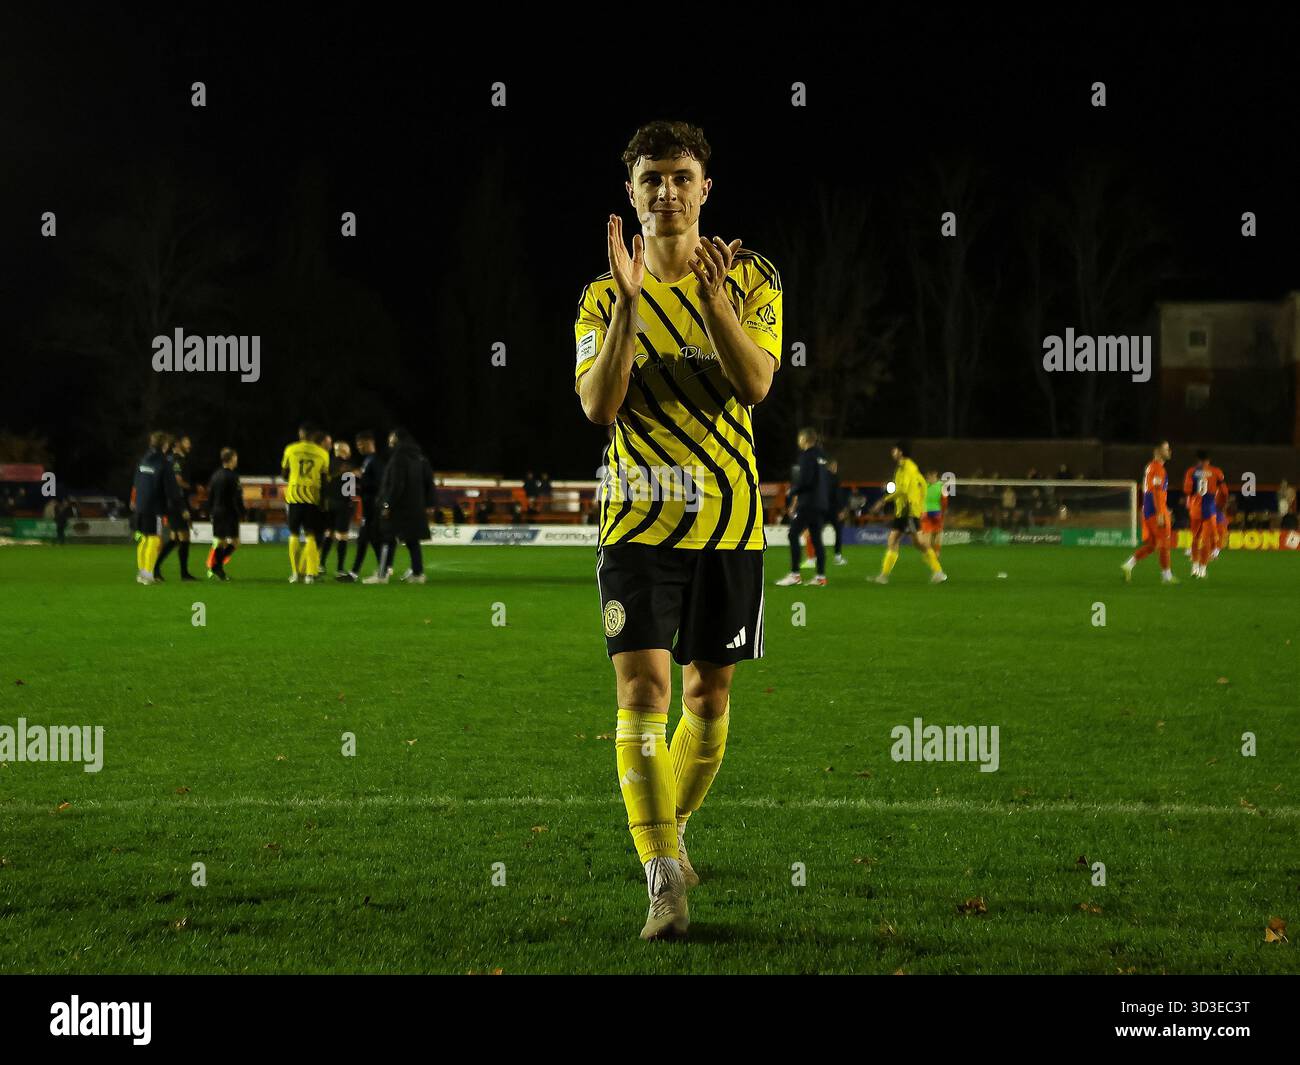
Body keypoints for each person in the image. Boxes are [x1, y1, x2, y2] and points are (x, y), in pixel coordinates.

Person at [574, 120, 781, 940]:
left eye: (681, 176)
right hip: (635, 522)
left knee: (708, 694)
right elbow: (599, 405)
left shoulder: (751, 276)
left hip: (729, 525)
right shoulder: (601, 293)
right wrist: (629, 306)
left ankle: (673, 827)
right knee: (644, 693)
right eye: (651, 178)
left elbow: (756, 382)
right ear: (632, 193)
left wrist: (714, 303)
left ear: (705, 189)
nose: (667, 190)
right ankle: (661, 876)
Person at [870, 441, 945, 584]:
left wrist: (884, 500)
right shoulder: (902, 468)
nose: (892, 452)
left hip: (909, 511)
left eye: (895, 450)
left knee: (918, 543)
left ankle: (938, 571)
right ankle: (883, 576)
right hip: (903, 510)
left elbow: (904, 489)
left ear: (901, 452)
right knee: (896, 540)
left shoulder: (909, 468)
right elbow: (922, 484)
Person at [365, 428, 433, 584]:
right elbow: (428, 483)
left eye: (391, 438)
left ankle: (382, 575)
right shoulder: (419, 458)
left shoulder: (398, 458)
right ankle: (418, 574)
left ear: (397, 439)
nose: (389, 441)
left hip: (399, 507)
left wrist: (388, 504)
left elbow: (396, 484)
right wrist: (428, 504)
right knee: (412, 540)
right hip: (415, 507)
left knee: (387, 538)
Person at [775, 428, 831, 586]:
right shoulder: (822, 456)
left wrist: (792, 491)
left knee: (793, 535)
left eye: (800, 439)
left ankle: (795, 575)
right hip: (821, 503)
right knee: (817, 539)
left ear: (804, 440)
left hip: (808, 503)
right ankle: (820, 577)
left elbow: (806, 480)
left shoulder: (806, 456)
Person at [280, 428, 331, 584]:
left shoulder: (290, 449)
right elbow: (324, 479)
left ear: (301, 434)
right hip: (312, 499)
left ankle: (295, 574)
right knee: (311, 535)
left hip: (295, 497)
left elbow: (284, 474)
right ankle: (309, 575)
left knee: (294, 534)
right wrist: (323, 501)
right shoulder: (323, 453)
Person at [1121, 440, 1176, 584]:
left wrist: (1164, 507)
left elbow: (1153, 492)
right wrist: (1160, 513)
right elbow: (1156, 492)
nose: (1169, 451)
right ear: (1158, 452)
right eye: (1166, 449)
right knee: (1165, 544)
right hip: (1155, 512)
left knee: (1152, 545)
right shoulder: (1157, 468)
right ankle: (1167, 576)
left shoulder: (1150, 467)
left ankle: (1129, 564)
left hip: (1148, 510)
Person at [338, 431, 384, 582]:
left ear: (368, 443)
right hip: (369, 506)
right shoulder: (368, 461)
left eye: (360, 444)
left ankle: (380, 571)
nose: (358, 447)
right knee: (367, 539)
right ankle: (376, 569)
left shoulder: (375, 461)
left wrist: (360, 479)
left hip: (373, 507)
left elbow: (378, 484)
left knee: (368, 539)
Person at [154, 433, 196, 580]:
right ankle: (182, 573)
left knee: (175, 539)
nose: (189, 445)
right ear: (178, 445)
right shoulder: (178, 460)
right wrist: (190, 488)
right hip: (177, 503)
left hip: (173, 503)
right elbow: (177, 481)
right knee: (183, 537)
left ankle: (157, 569)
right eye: (187, 442)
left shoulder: (171, 459)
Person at [131, 431, 170, 584]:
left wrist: (134, 501)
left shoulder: (143, 460)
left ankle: (142, 574)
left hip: (140, 505)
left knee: (144, 539)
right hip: (153, 507)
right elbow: (167, 487)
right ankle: (148, 575)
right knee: (154, 539)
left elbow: (135, 484)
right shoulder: (161, 462)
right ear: (164, 445)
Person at [206, 448, 243, 580]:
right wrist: (242, 512)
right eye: (235, 458)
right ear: (232, 459)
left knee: (220, 541)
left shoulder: (215, 475)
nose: (236, 460)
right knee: (235, 542)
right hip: (229, 512)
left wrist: (209, 511)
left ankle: (217, 568)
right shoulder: (233, 476)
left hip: (216, 511)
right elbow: (237, 498)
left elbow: (210, 496)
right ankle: (217, 566)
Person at [324, 439, 357, 576]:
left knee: (328, 534)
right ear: (345, 451)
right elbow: (350, 492)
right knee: (342, 536)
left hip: (327, 504)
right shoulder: (349, 467)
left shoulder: (326, 464)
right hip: (342, 504)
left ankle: (320, 565)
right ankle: (340, 569)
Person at [1189, 451, 1224, 579]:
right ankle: (1203, 569)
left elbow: (1187, 490)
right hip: (1209, 510)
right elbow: (1224, 491)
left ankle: (1194, 567)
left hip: (1195, 510)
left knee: (1195, 538)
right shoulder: (1216, 472)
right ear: (1208, 460)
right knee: (1206, 539)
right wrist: (1220, 504)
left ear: (1198, 460)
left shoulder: (1191, 471)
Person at [923, 468, 947, 558]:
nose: (930, 477)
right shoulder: (942, 486)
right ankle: (936, 552)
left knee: (928, 533)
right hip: (937, 511)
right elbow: (945, 501)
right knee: (937, 533)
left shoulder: (924, 485)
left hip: (926, 512)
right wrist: (943, 512)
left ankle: (930, 552)